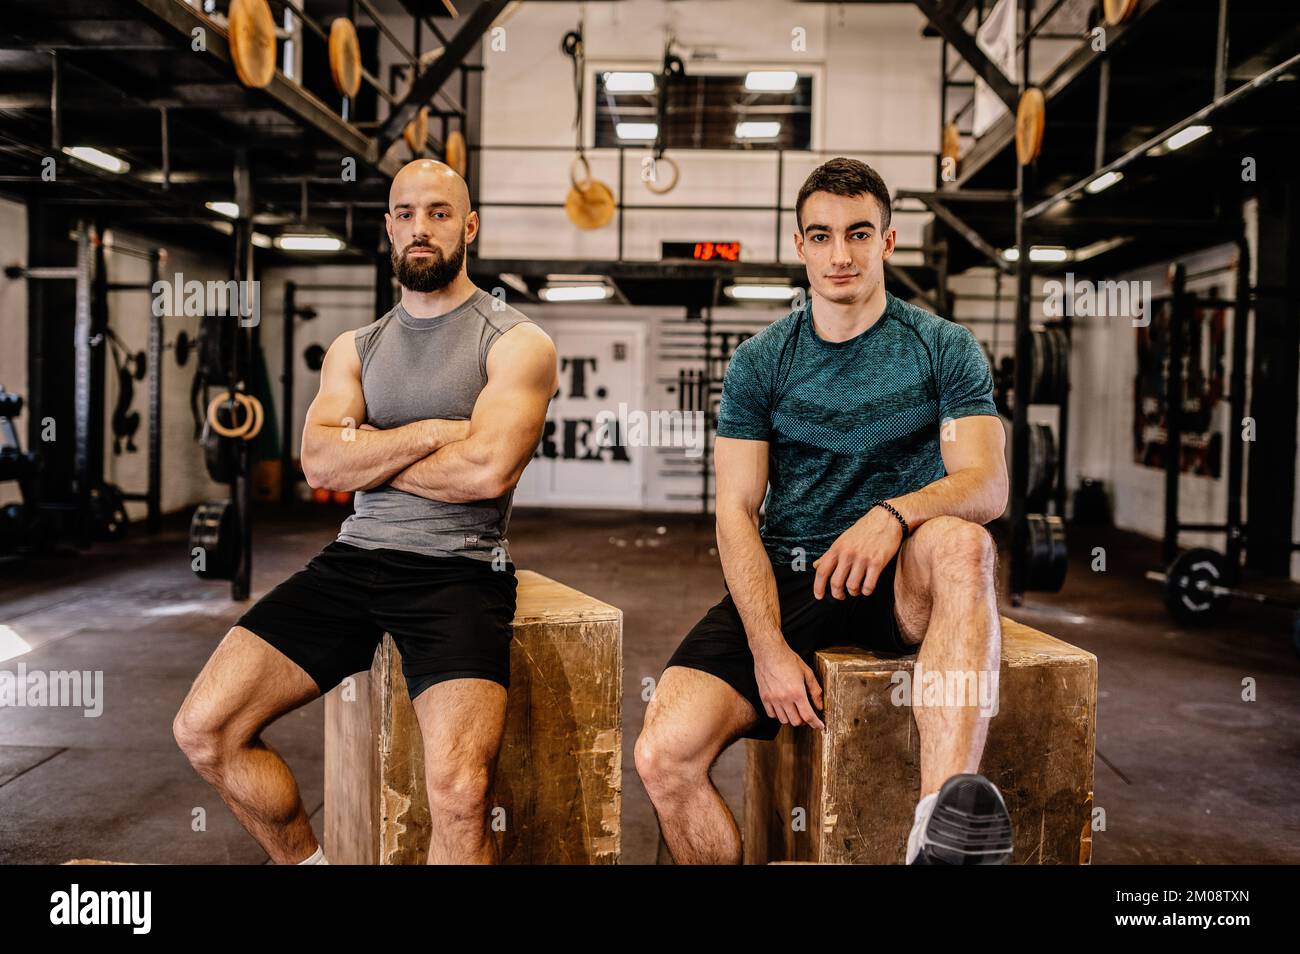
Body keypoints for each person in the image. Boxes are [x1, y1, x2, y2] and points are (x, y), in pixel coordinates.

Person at [173, 159, 557, 865]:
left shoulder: (516, 341)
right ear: (387, 227)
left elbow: (488, 470)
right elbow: (319, 465)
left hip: (459, 569)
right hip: (352, 561)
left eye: (439, 213)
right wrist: (441, 429)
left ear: (469, 227)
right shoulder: (356, 348)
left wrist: (371, 452)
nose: (421, 228)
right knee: (205, 728)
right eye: (406, 213)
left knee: (460, 791)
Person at [635, 157, 1013, 865]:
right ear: (800, 244)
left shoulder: (942, 347)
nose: (841, 253)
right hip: (791, 576)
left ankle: (939, 829)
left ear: (889, 241)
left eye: (859, 233)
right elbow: (737, 512)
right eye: (822, 235)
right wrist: (768, 647)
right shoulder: (762, 362)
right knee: (662, 756)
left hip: (899, 575)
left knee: (964, 543)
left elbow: (987, 483)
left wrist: (894, 515)